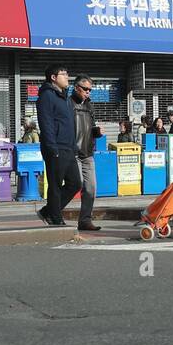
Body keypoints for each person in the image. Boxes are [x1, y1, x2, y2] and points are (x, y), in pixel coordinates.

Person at [36, 64, 81, 226]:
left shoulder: (64, 97)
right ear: (53, 78)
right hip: (55, 147)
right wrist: (52, 147)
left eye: (67, 73)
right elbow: (46, 123)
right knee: (55, 185)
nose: (67, 76)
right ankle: (55, 218)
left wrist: (74, 146)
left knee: (75, 183)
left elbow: (69, 124)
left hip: (68, 147)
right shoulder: (47, 96)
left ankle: (48, 211)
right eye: (63, 74)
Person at [70, 75, 101, 232]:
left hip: (88, 152)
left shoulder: (89, 106)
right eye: (85, 89)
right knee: (76, 184)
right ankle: (52, 211)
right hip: (73, 152)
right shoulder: (68, 104)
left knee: (91, 187)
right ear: (76, 88)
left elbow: (91, 126)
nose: (88, 92)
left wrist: (96, 132)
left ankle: (85, 220)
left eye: (90, 89)